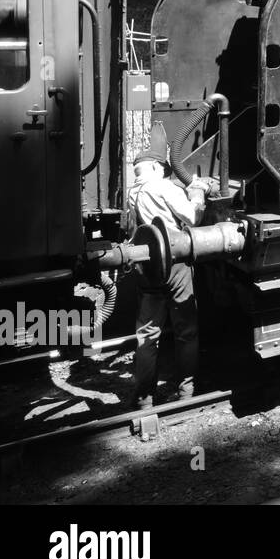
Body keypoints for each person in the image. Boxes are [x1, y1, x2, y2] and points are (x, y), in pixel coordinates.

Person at [124, 126, 213, 409]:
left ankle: (143, 399)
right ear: (153, 167)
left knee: (147, 335)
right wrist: (197, 191)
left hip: (149, 269)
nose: (164, 170)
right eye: (161, 166)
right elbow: (192, 217)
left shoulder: (132, 194)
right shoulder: (161, 186)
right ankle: (186, 391)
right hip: (175, 265)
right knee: (186, 330)